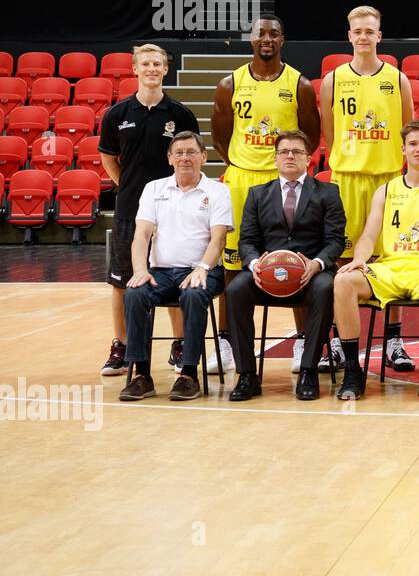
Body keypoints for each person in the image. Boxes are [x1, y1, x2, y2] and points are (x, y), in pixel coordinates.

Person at [211, 14, 321, 375]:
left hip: (283, 179)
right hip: (242, 180)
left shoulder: (300, 85)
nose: (267, 39)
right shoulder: (230, 84)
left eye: (274, 33)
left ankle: (303, 341)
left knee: (296, 257)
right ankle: (227, 343)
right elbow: (220, 137)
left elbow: (310, 138)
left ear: (283, 40)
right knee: (232, 264)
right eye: (261, 33)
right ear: (251, 39)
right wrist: (244, 163)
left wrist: (284, 166)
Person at [331, 120, 419, 401]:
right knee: (343, 280)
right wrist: (360, 259)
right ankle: (353, 371)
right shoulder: (387, 190)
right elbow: (369, 235)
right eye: (413, 144)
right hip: (390, 268)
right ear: (403, 149)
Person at [320, 5, 416, 372]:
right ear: (349, 36)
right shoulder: (333, 80)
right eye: (357, 31)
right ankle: (339, 343)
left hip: (387, 178)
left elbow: (408, 129)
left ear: (379, 35)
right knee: (342, 262)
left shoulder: (397, 79)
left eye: (369, 31)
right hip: (347, 179)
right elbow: (330, 133)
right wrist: (350, 158)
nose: (363, 36)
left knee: (391, 259)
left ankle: (393, 341)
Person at [98, 44, 200, 378]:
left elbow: (190, 157)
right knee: (122, 282)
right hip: (130, 209)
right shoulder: (117, 114)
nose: (152, 69)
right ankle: (121, 346)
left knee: (174, 275)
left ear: (165, 69)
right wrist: (133, 189)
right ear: (135, 68)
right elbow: (109, 158)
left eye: (157, 63)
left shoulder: (180, 114)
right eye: (146, 64)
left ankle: (180, 344)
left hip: (173, 209)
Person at [224, 129, 346, 402]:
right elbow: (247, 241)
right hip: (267, 274)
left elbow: (335, 240)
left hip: (310, 275)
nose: (290, 156)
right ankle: (247, 375)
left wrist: (317, 264)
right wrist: (255, 264)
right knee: (235, 290)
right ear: (275, 158)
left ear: (308, 159)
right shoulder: (257, 194)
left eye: (297, 152)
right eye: (284, 152)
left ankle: (308, 371)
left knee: (326, 287)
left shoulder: (328, 192)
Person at [118, 132, 232, 402]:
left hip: (203, 271)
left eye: (191, 152)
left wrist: (202, 267)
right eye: (178, 153)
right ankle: (141, 375)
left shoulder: (218, 191)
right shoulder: (153, 189)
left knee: (193, 294)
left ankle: (189, 375)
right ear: (169, 158)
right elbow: (141, 235)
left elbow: (219, 238)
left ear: (203, 157)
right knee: (134, 294)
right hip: (160, 273)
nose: (185, 158)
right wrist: (140, 270)